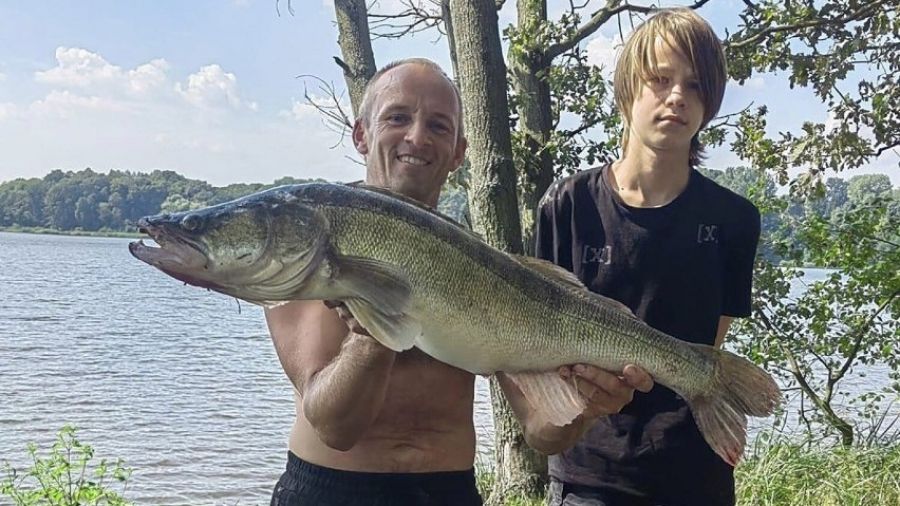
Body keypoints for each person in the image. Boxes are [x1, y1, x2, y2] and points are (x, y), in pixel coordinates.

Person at [264, 57, 652, 506]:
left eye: (439, 126)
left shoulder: (476, 264)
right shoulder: (304, 244)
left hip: (449, 491)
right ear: (361, 135)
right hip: (327, 489)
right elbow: (334, 428)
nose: (416, 136)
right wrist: (375, 331)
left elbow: (541, 433)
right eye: (397, 117)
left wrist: (588, 407)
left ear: (459, 152)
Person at [528, 8, 761, 506]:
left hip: (695, 479)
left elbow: (708, 361)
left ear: (711, 103)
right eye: (661, 79)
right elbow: (542, 353)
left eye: (696, 85)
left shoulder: (735, 219)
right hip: (587, 479)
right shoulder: (565, 205)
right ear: (628, 88)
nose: (678, 96)